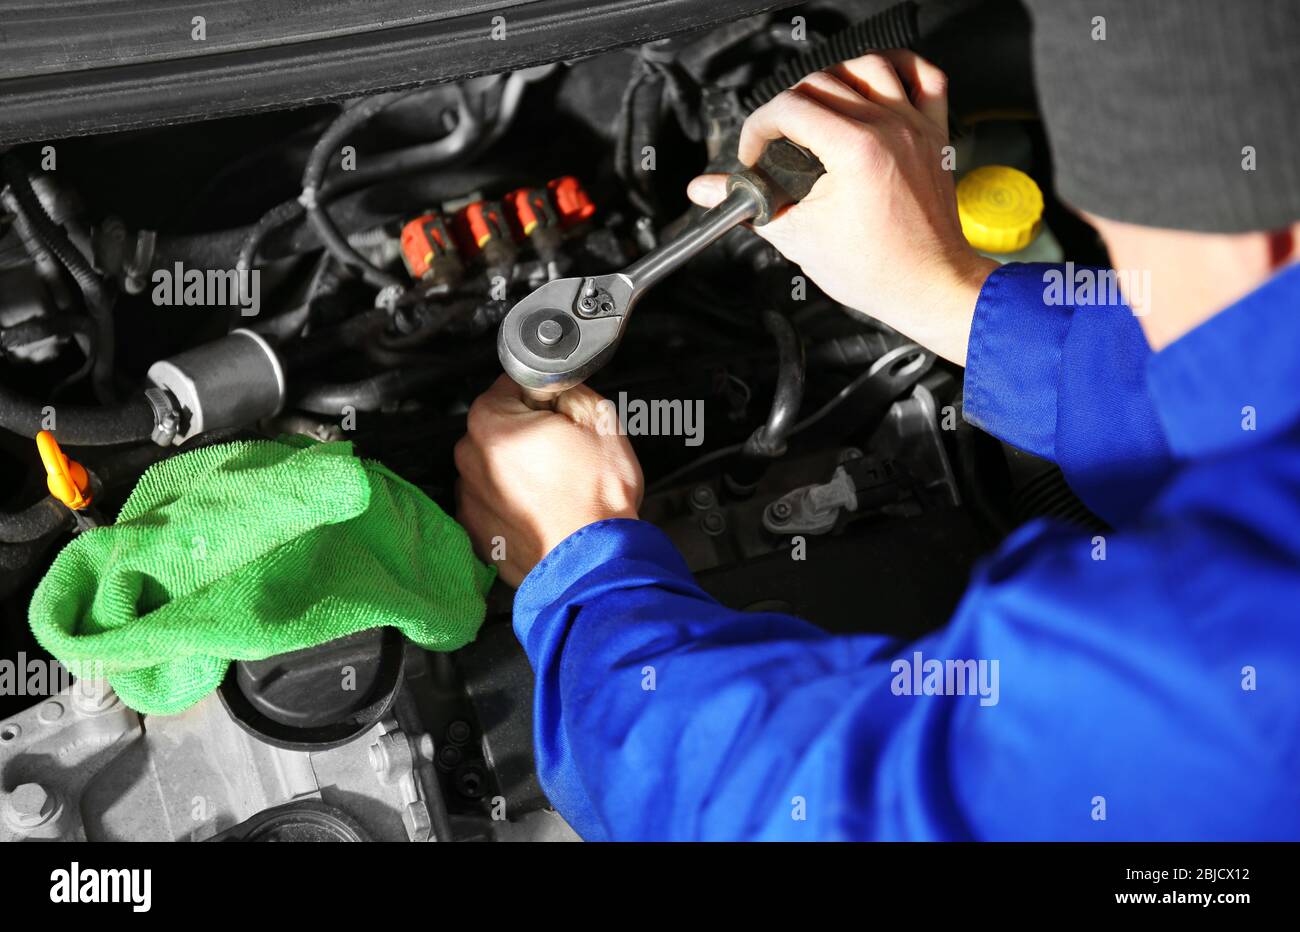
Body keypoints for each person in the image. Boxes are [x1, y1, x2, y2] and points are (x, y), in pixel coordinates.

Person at [454, 1, 1300, 839]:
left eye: (1119, 234)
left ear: (1267, 244)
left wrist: (583, 575)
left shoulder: (1231, 661)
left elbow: (806, 814)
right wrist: (956, 302)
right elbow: (1252, 403)